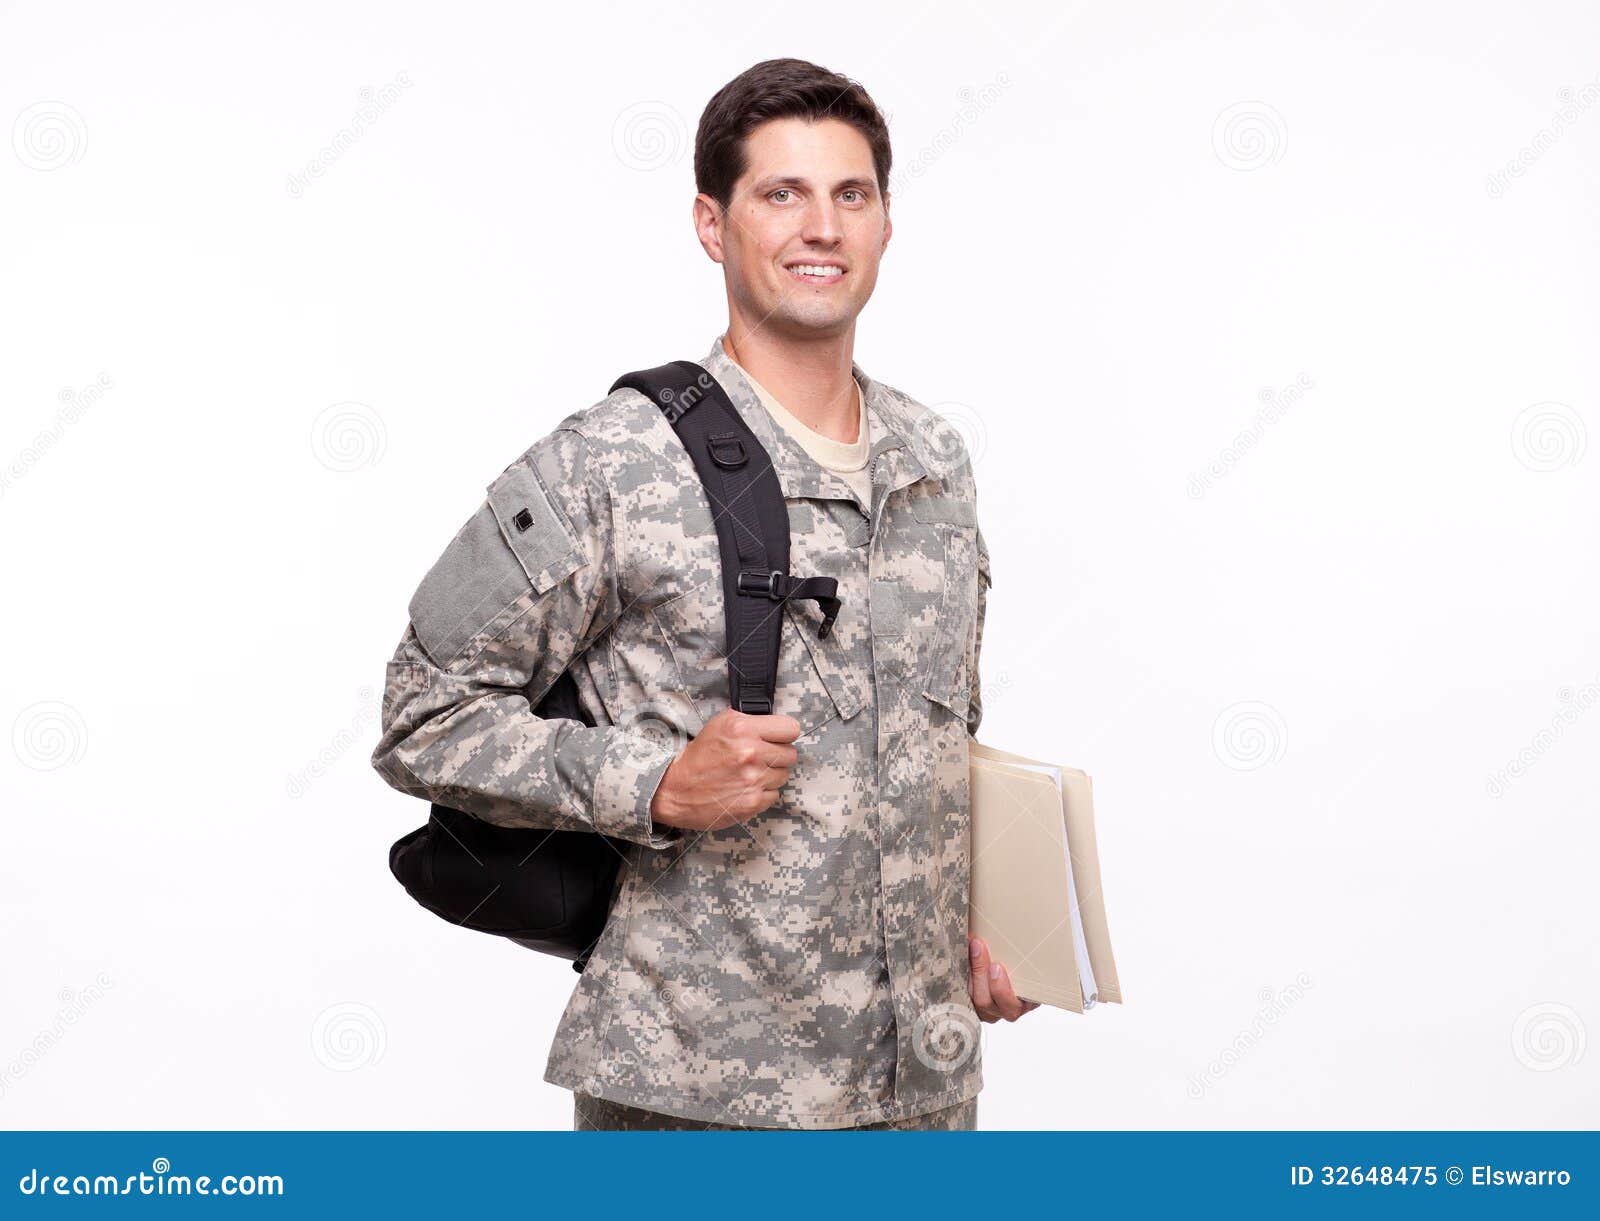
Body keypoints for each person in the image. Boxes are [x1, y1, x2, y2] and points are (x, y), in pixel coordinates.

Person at [370, 57, 1037, 1133]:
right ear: (711, 225)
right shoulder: (612, 461)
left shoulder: (932, 458)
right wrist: (657, 783)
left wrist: (988, 929)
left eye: (850, 194)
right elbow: (423, 716)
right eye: (781, 194)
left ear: (883, 225)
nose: (821, 226)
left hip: (921, 1092)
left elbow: (928, 750)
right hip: (696, 1100)